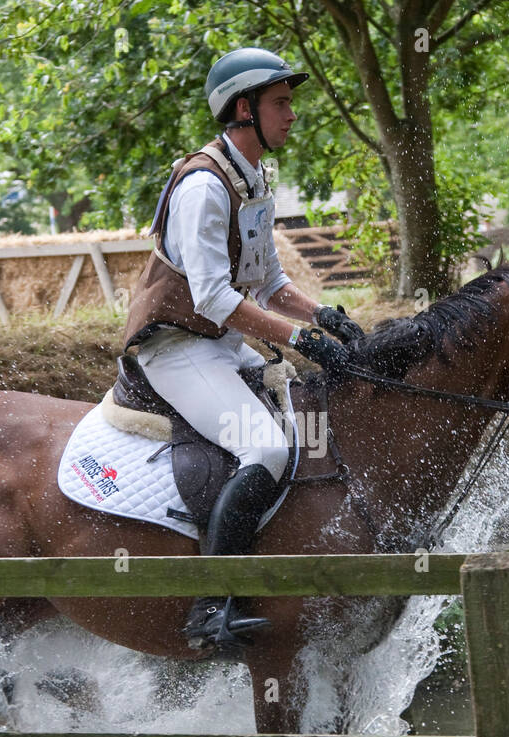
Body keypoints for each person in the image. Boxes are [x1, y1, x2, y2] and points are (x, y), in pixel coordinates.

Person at [122, 47, 360, 655]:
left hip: (220, 344)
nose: (292, 115)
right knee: (269, 444)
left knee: (310, 410)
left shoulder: (252, 177)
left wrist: (328, 318)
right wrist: (301, 340)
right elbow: (212, 299)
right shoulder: (204, 185)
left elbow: (273, 284)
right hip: (177, 348)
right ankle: (212, 602)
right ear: (244, 108)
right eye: (282, 103)